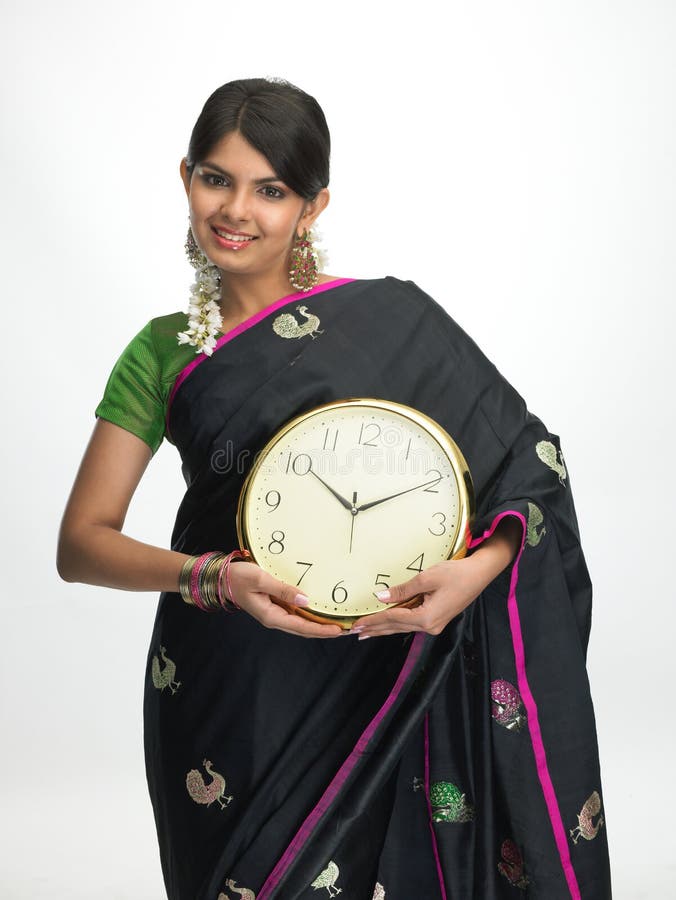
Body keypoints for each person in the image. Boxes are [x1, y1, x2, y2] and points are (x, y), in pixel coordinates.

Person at [57, 78, 612, 899]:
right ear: (185, 179)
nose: (235, 210)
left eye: (270, 190)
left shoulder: (396, 319)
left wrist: (471, 576)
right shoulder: (162, 352)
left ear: (312, 207)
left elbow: (529, 465)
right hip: (231, 683)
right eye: (216, 178)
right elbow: (81, 544)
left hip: (386, 663)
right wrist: (215, 578)